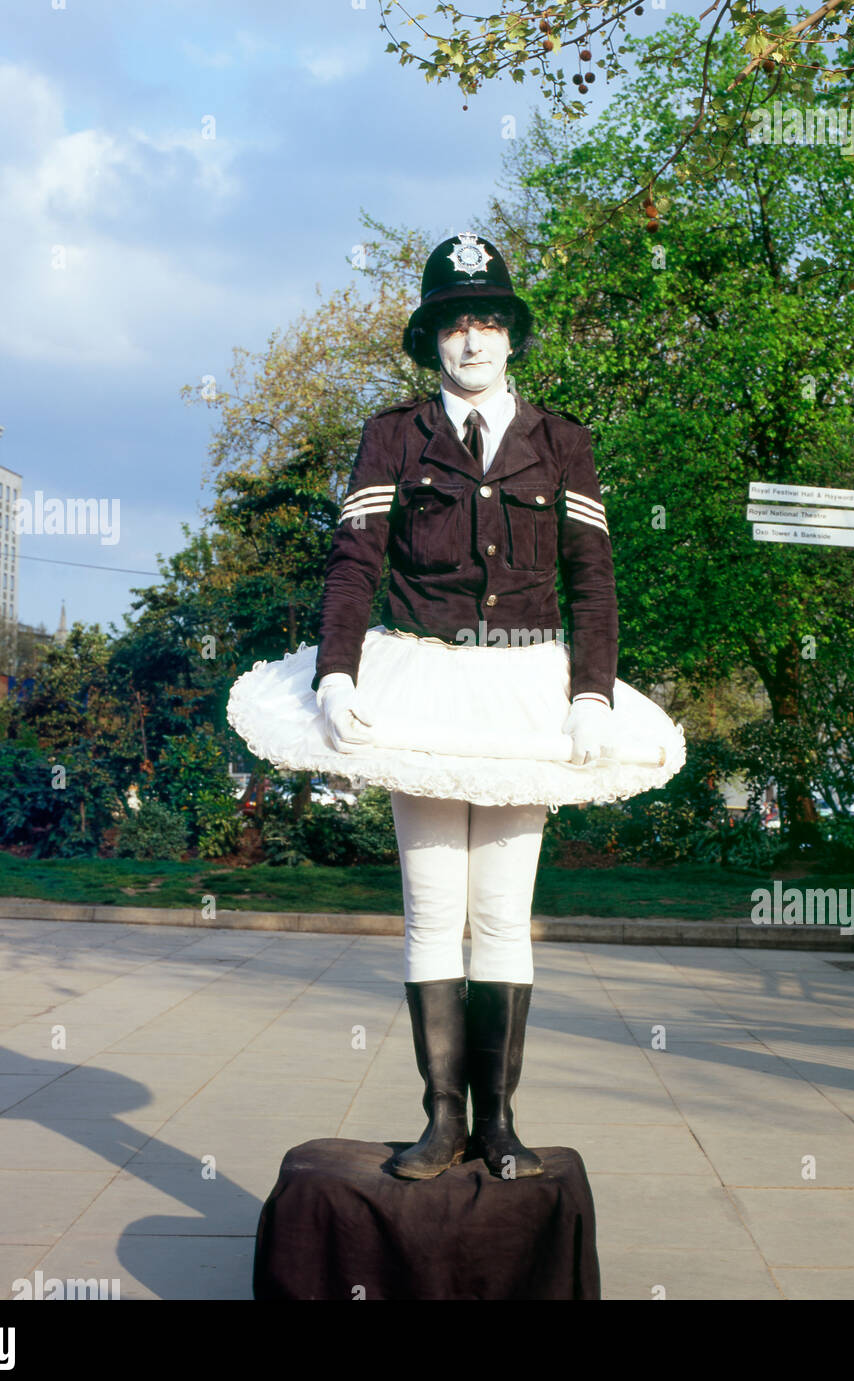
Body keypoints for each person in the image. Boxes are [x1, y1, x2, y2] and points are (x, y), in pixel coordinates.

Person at [228, 232, 685, 1181]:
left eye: (486, 321)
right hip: (422, 681)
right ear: (431, 339)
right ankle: (442, 1122)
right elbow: (354, 563)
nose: (471, 340)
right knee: (433, 910)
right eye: (452, 323)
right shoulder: (394, 435)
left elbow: (593, 582)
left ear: (511, 336)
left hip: (525, 687)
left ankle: (501, 1124)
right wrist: (337, 672)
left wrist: (592, 693)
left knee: (504, 914)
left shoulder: (563, 442)